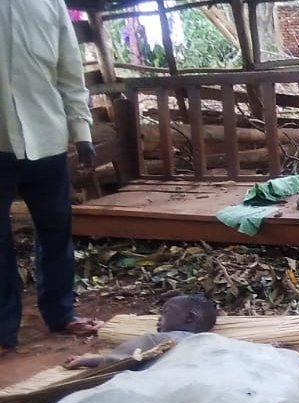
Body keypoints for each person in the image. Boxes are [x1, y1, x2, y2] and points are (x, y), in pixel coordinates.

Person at [0, 0, 104, 357]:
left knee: (56, 231)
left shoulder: (50, 5)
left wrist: (83, 134)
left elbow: (69, 76)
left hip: (47, 139)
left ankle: (61, 314)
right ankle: (2, 331)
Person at [63, 294, 218, 369]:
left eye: (165, 311)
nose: (159, 318)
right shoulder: (213, 343)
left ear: (189, 318)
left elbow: (118, 362)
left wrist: (85, 361)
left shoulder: (157, 340)